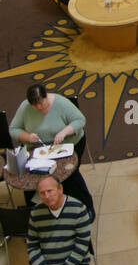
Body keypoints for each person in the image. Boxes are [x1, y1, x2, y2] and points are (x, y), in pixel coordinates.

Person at [10, 83, 94, 220]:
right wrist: (28, 136)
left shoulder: (60, 103)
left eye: (43, 105)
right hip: (39, 148)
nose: (40, 109)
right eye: (35, 107)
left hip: (67, 144)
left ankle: (86, 207)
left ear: (46, 97)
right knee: (30, 177)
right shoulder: (24, 107)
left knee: (68, 175)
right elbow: (14, 130)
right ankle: (36, 212)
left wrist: (64, 132)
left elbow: (80, 120)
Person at [24, 176, 92, 265]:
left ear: (60, 189)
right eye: (42, 193)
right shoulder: (36, 213)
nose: (47, 196)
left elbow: (82, 245)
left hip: (74, 264)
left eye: (50, 191)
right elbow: (32, 244)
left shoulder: (78, 209)